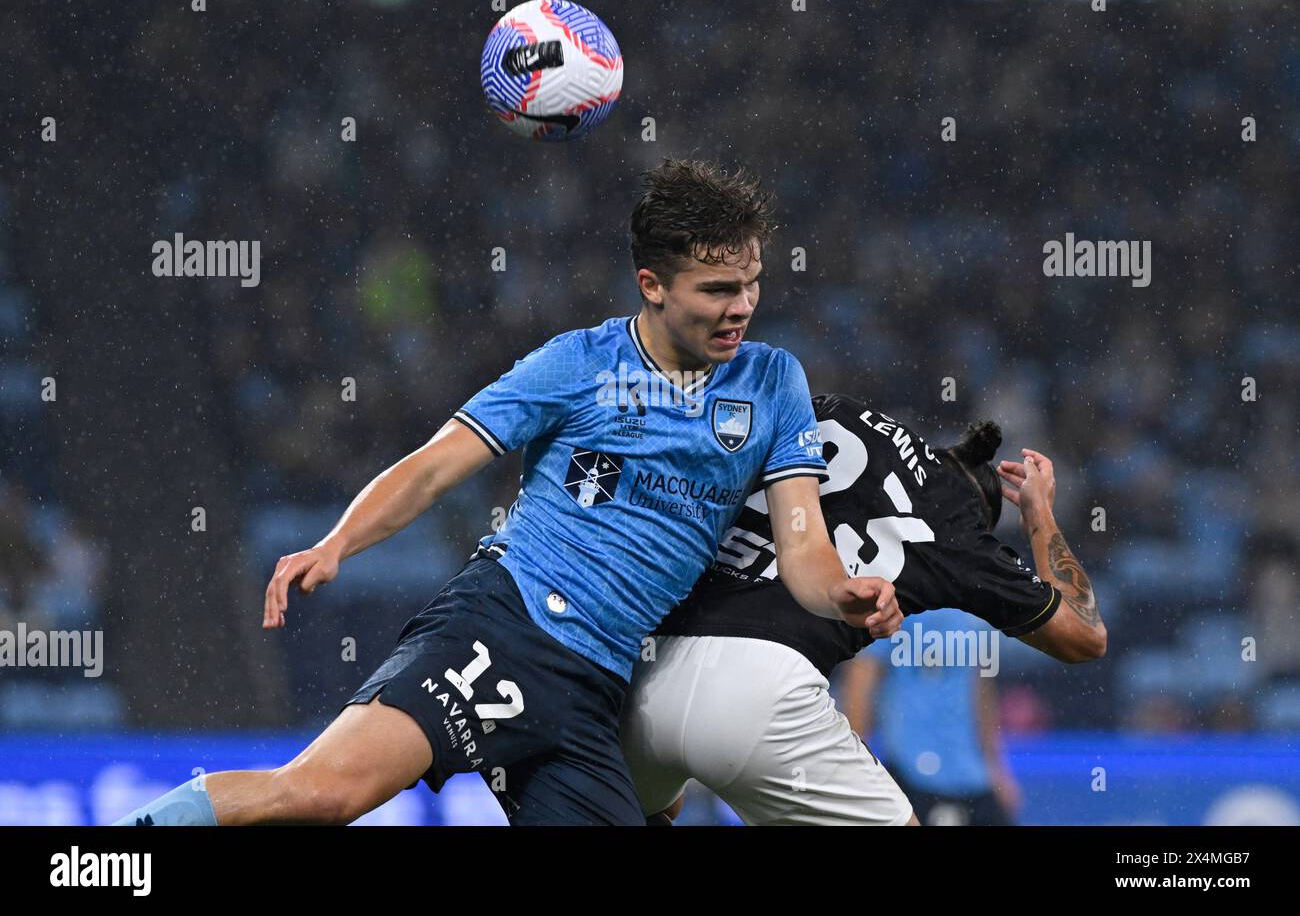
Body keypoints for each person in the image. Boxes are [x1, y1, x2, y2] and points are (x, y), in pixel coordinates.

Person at [112, 159, 901, 826]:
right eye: (718, 288)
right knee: (318, 794)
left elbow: (805, 548)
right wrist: (338, 542)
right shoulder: (577, 365)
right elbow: (433, 464)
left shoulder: (773, 380)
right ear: (652, 284)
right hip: (508, 624)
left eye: (753, 283)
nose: (742, 306)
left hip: (597, 690)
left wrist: (844, 595)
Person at [621, 397, 1106, 825]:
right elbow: (1084, 637)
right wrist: (1039, 513)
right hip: (765, 688)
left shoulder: (837, 409)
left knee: (657, 808)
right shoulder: (957, 530)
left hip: (644, 667)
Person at [840, 607, 1022, 826]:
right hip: (911, 772)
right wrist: (854, 771)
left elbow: (981, 689)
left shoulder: (974, 608)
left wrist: (997, 769)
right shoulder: (894, 602)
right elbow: (860, 687)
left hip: (972, 777)